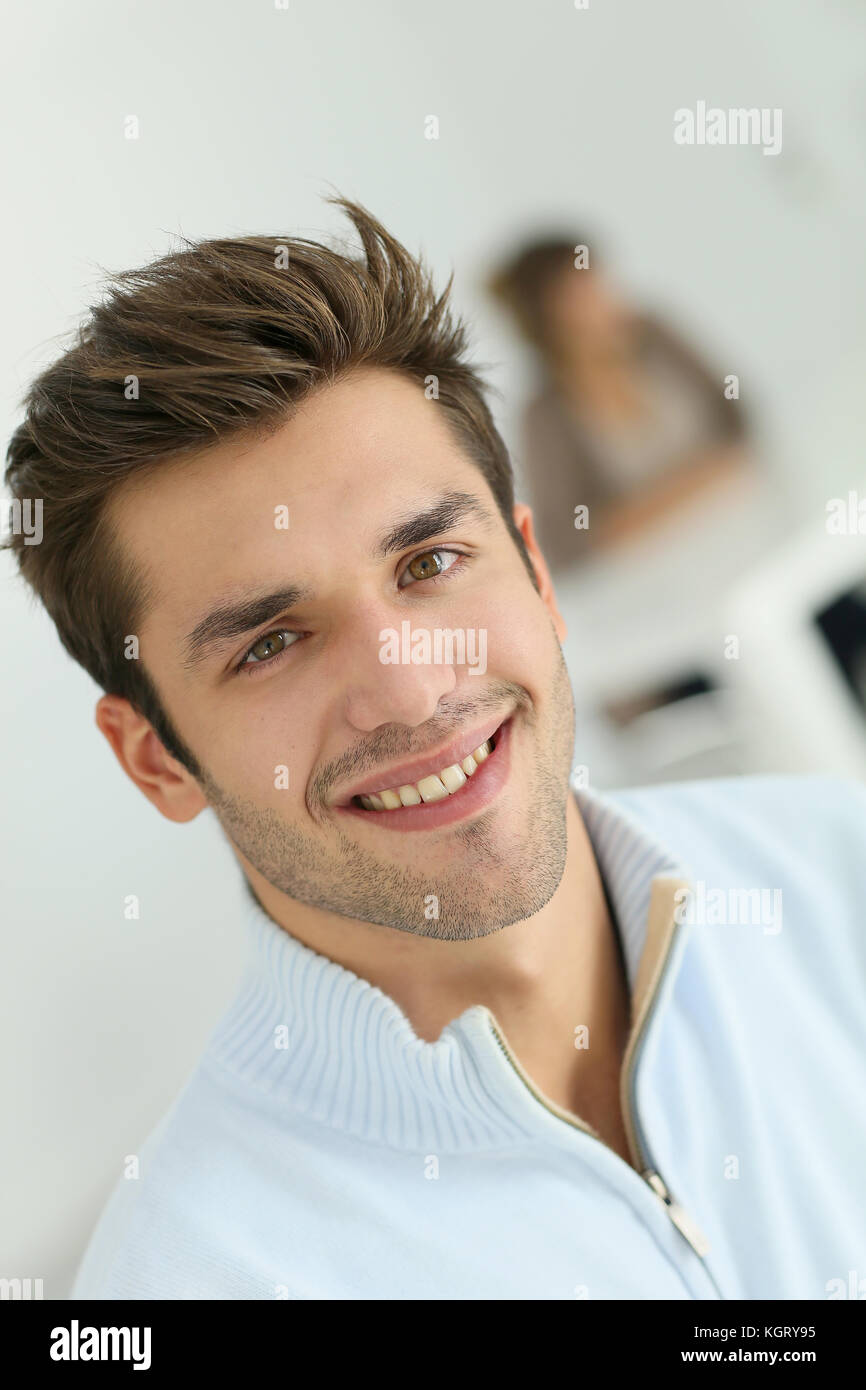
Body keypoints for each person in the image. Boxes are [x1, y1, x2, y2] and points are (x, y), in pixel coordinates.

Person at [4, 196, 864, 1300]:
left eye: (427, 565)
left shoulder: (838, 874)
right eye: (270, 643)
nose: (410, 686)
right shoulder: (191, 1280)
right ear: (156, 760)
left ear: (535, 575)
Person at [486, 236, 750, 575]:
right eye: (581, 293)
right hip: (660, 577)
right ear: (549, 318)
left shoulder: (657, 333)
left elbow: (739, 418)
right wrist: (697, 482)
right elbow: (565, 541)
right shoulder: (544, 417)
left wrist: (642, 512)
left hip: (746, 525)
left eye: (599, 279)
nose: (605, 297)